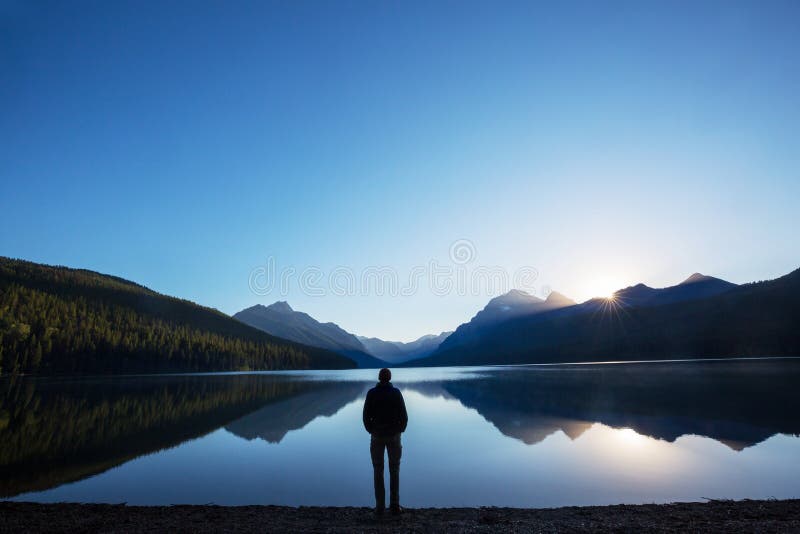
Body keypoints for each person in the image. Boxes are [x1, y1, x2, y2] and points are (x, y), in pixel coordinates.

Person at [362, 367, 408, 516]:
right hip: (394, 435)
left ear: (379, 378)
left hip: (377, 436)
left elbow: (365, 415)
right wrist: (400, 430)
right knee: (394, 470)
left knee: (378, 470)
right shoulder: (396, 393)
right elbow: (404, 415)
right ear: (390, 378)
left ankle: (380, 507)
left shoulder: (371, 393)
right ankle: (394, 506)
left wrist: (371, 430)